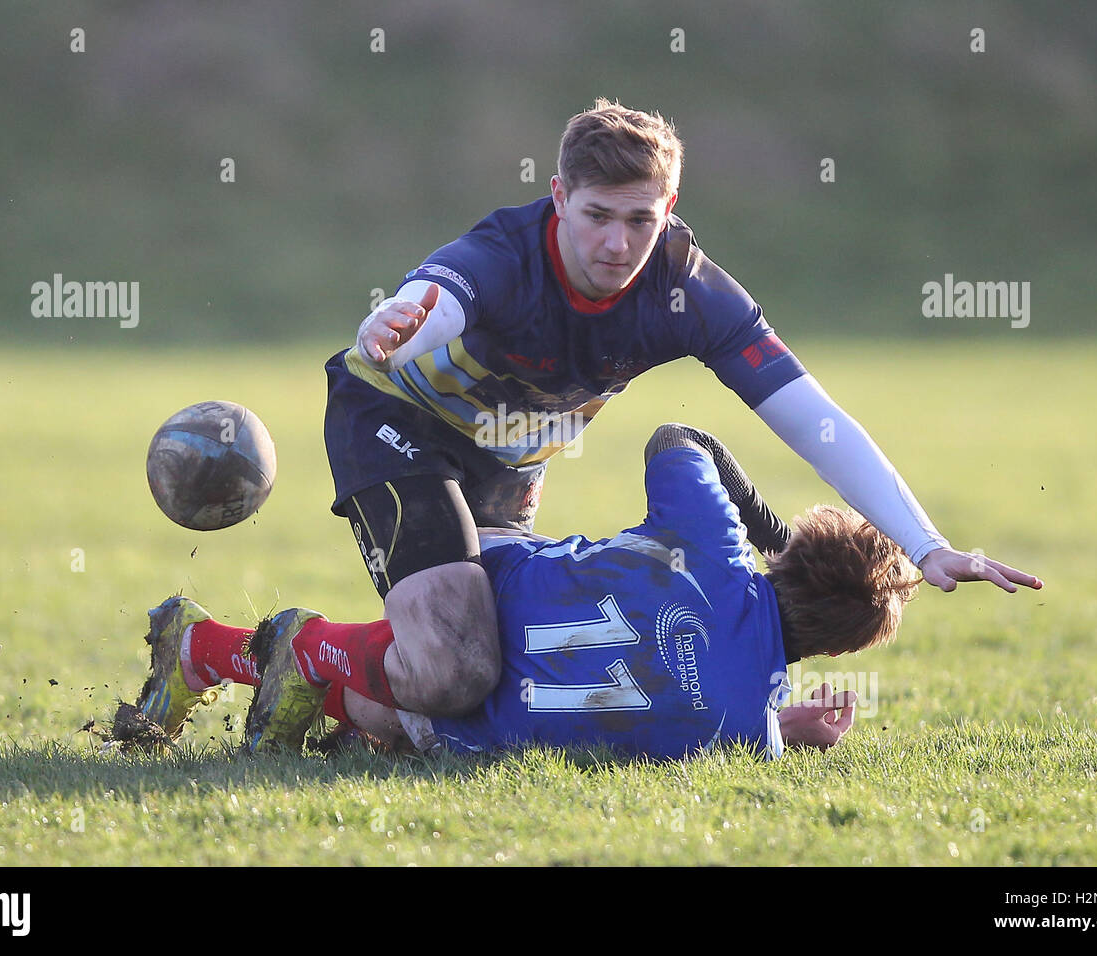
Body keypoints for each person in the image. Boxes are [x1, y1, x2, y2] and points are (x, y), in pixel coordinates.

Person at [315, 98, 1041, 729]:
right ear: (559, 196)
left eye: (640, 220)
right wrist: (401, 319)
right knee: (454, 668)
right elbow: (443, 292)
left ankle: (347, 710)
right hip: (397, 421)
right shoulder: (506, 255)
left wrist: (924, 544)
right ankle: (280, 652)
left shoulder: (690, 293)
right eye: (597, 215)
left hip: (508, 465)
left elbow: (815, 419)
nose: (616, 243)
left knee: (514, 677)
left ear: (670, 210)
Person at [125, 423, 1033, 758]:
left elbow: (679, 435)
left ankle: (247, 647)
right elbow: (713, 705)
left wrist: (767, 537)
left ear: (788, 559)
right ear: (838, 647)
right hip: (466, 731)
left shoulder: (721, 548)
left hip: (480, 577)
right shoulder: (745, 734)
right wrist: (785, 729)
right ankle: (266, 662)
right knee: (393, 714)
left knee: (385, 693)